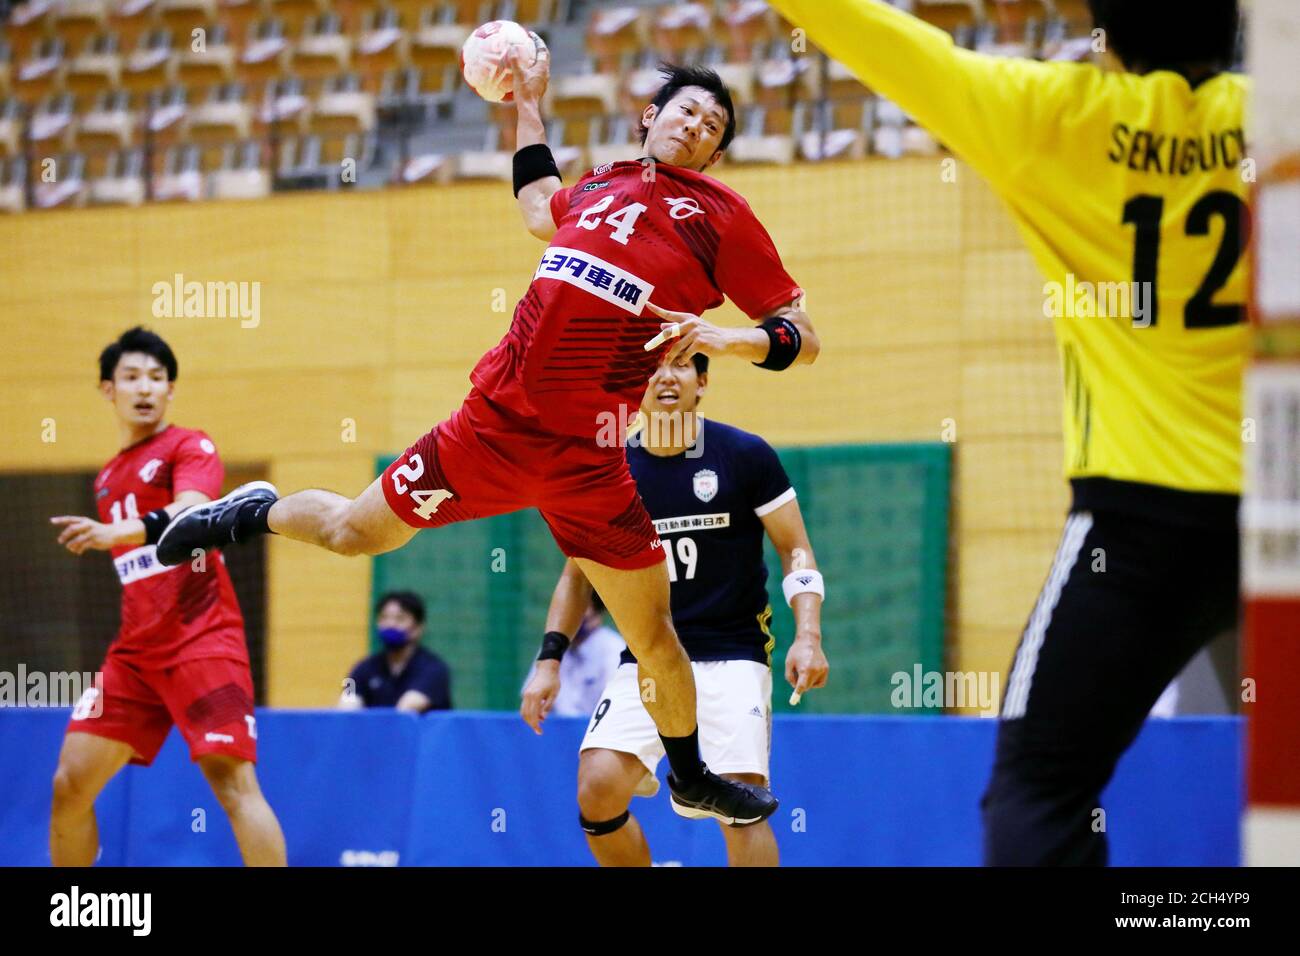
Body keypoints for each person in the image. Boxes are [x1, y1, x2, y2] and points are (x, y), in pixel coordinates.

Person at [155, 45, 821, 825]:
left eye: (713, 125)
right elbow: (542, 204)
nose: (697, 124)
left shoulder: (721, 216)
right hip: (492, 428)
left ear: (716, 151)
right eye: (686, 109)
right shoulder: (600, 184)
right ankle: (245, 513)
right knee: (350, 531)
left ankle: (688, 773)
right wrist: (527, 103)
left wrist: (726, 339)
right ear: (651, 116)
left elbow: (801, 335)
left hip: (590, 459)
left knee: (656, 635)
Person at [769, 0, 1248, 865]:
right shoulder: (1280, 120)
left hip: (1139, 529)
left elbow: (887, 39)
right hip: (1279, 509)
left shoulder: (1053, 115)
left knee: (1040, 787)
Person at [521, 355, 829, 865]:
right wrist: (548, 660)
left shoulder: (745, 455)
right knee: (597, 788)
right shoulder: (609, 469)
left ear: (702, 382)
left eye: (683, 365)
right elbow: (576, 576)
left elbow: (796, 550)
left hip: (732, 654)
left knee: (741, 803)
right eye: (653, 367)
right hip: (648, 657)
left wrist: (808, 634)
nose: (666, 376)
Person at [48, 327, 286, 867]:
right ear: (109, 390)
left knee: (232, 785)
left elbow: (193, 512)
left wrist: (117, 532)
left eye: (157, 378)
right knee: (69, 784)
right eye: (132, 377)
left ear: (171, 390)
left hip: (202, 637)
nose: (146, 388)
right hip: (134, 655)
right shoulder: (108, 476)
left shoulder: (190, 445)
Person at [340, 591, 452, 713]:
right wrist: (347, 706)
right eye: (384, 618)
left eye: (400, 619)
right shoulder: (361, 668)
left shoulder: (435, 670)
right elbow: (347, 698)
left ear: (418, 628)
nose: (390, 624)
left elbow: (407, 708)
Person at [521, 592, 624, 719]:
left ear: (597, 614)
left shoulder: (613, 648)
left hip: (598, 731)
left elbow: (618, 704)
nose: (570, 615)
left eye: (583, 608)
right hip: (557, 731)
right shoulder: (553, 647)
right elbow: (532, 697)